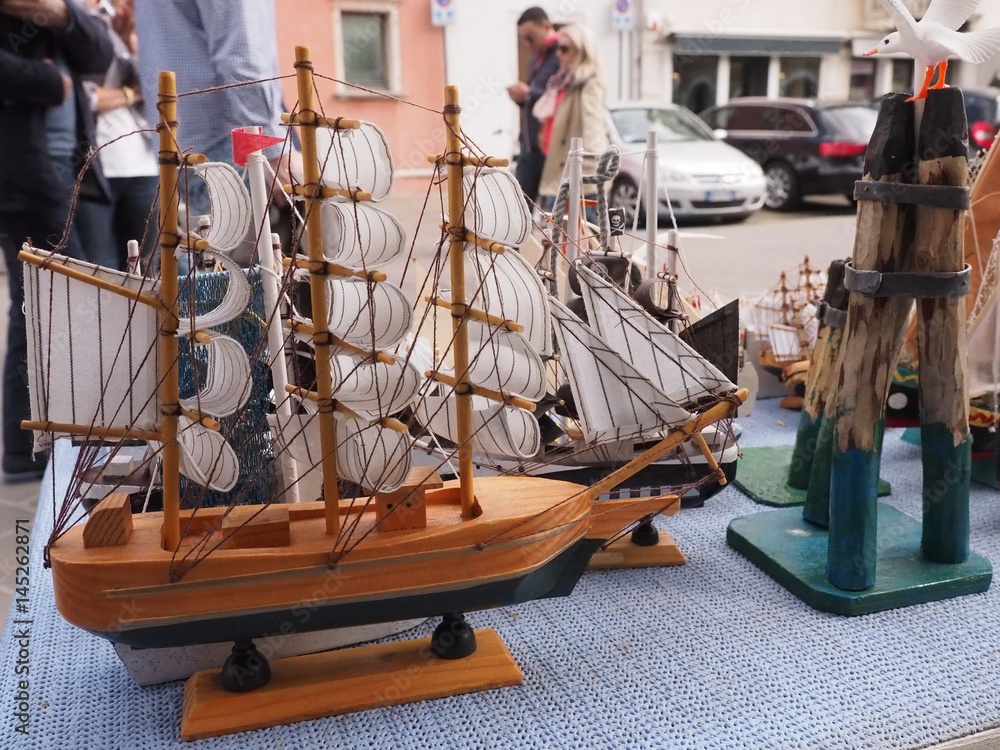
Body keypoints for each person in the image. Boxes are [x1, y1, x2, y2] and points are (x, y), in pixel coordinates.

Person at [0, 0, 113, 481]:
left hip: (70, 175)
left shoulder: (49, 12)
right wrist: (50, 82)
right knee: (60, 301)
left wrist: (56, 13)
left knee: (42, 303)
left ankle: (30, 451)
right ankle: (48, 449)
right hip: (25, 177)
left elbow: (99, 54)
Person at [133, 0, 290, 222]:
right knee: (255, 252)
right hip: (232, 144)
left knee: (204, 250)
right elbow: (242, 58)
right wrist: (272, 150)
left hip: (183, 144)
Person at [76, 0, 159, 270]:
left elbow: (157, 92)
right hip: (94, 168)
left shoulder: (135, 30)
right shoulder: (80, 20)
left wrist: (128, 38)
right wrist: (130, 93)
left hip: (143, 166)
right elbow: (86, 97)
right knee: (101, 271)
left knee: (146, 270)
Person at [535, 24, 609, 210]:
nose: (558, 53)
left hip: (580, 172)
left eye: (565, 48)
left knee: (586, 232)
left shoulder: (588, 82)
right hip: (562, 165)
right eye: (558, 47)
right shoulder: (564, 79)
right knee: (567, 232)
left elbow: (593, 121)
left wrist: (592, 160)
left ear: (582, 50)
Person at [507, 6, 559, 207]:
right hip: (530, 144)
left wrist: (529, 93)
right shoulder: (536, 59)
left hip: (551, 146)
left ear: (547, 27)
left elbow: (558, 99)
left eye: (531, 37)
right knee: (519, 209)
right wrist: (521, 98)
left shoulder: (561, 55)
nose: (528, 44)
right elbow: (539, 101)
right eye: (524, 39)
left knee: (556, 212)